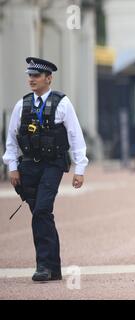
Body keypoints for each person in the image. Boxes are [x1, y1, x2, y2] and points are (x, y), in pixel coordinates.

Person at [2, 57, 89, 281]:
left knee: (42, 210)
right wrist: (12, 167)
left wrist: (80, 168)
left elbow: (75, 136)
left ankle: (44, 265)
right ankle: (52, 267)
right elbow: (11, 139)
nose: (32, 79)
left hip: (53, 165)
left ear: (48, 79)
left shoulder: (62, 103)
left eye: (37, 76)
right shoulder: (22, 105)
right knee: (41, 215)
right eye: (30, 75)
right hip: (29, 166)